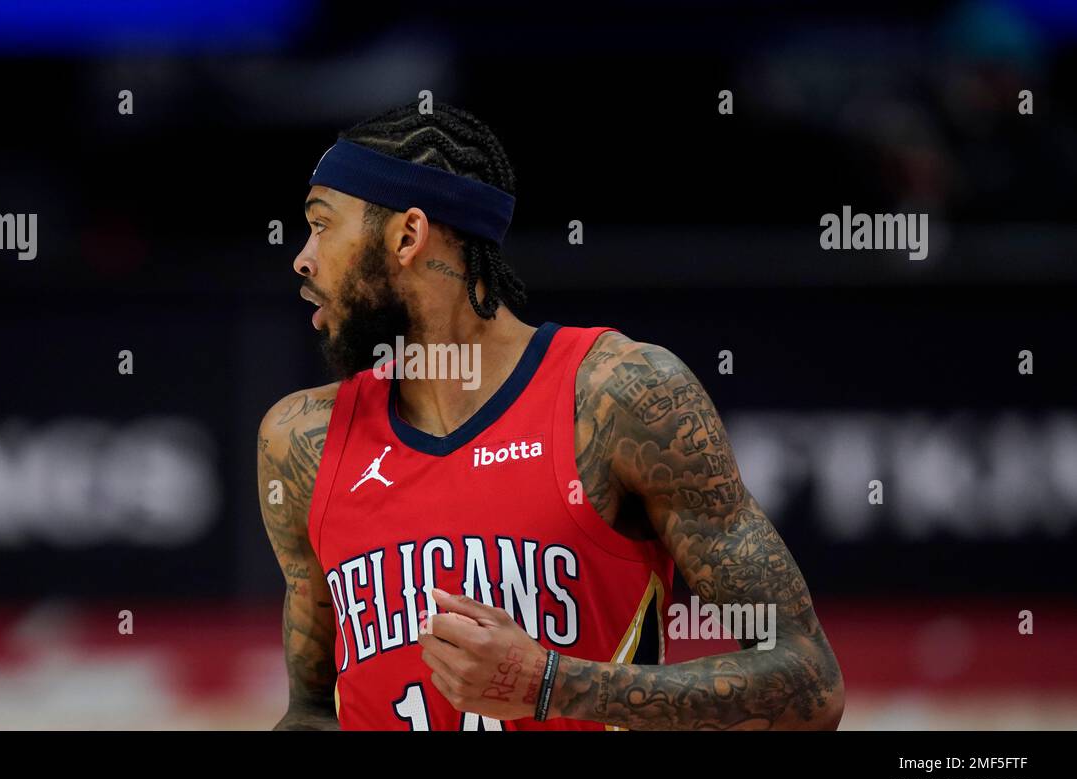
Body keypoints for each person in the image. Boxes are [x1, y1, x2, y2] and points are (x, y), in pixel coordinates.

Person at [256, 103, 843, 730]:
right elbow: (312, 712)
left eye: (322, 226)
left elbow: (810, 683)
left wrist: (551, 686)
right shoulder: (300, 441)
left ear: (407, 235)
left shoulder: (621, 395)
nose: (303, 258)